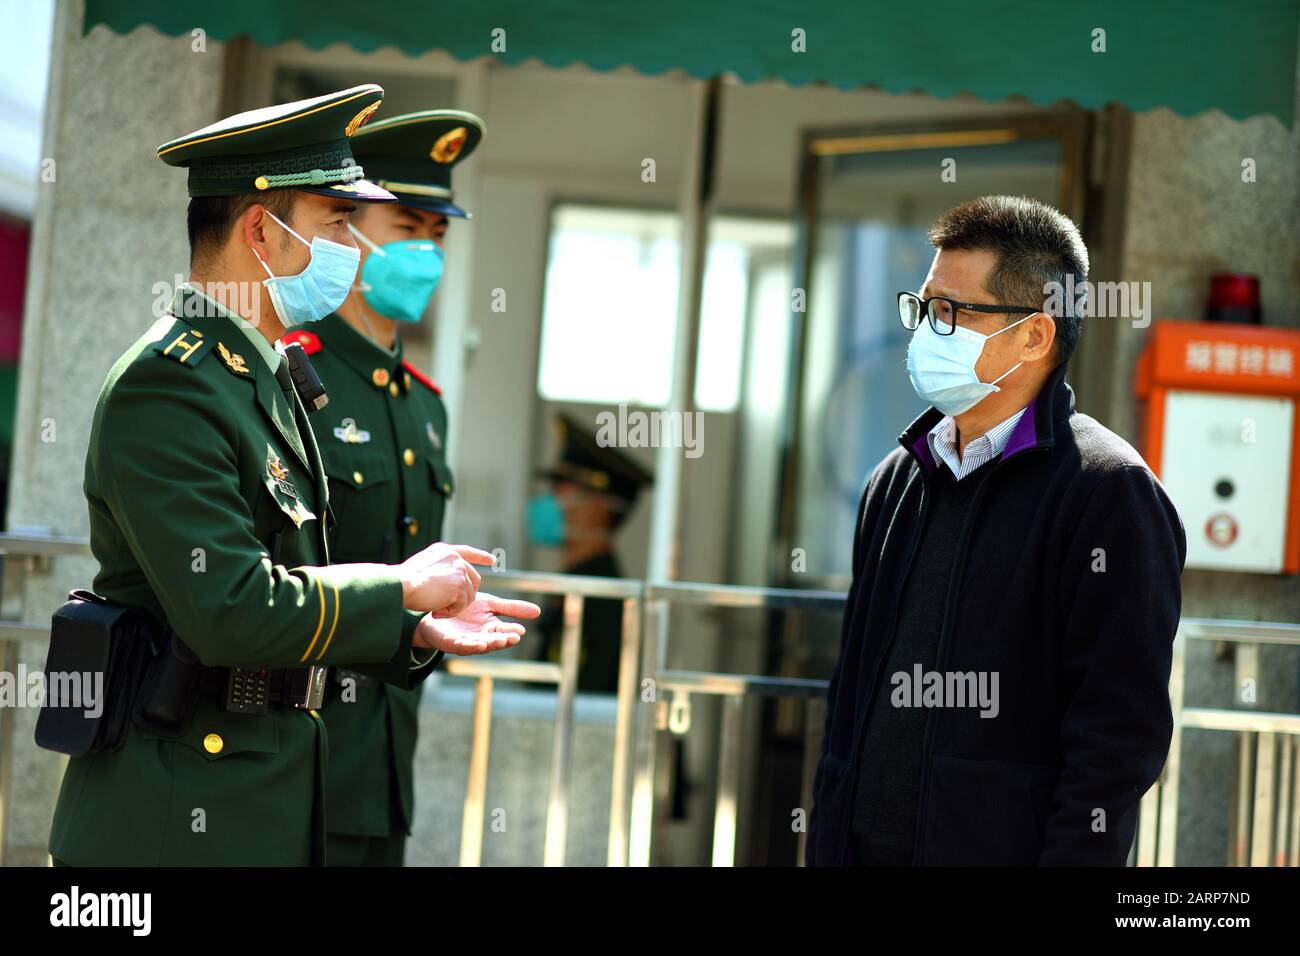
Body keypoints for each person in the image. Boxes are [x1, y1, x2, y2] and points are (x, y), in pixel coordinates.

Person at [46, 85, 536, 867]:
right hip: (176, 816)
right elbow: (231, 610)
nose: (351, 246)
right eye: (337, 222)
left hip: (258, 795)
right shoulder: (169, 383)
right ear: (261, 232)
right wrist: (400, 589)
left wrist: (409, 631)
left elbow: (296, 589)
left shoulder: (257, 372)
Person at [806, 195, 1186, 866]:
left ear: (1036, 336)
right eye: (925, 307)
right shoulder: (892, 482)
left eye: (954, 311)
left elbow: (1117, 738)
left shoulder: (1108, 493)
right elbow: (850, 695)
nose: (928, 329)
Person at [279, 109, 488, 866]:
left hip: (383, 768)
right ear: (346, 227)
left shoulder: (423, 405)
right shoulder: (288, 375)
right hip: (290, 757)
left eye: (439, 234)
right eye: (407, 226)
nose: (427, 252)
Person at [528, 414, 653, 694]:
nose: (548, 503)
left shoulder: (601, 595)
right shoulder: (577, 580)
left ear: (598, 507)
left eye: (559, 492)